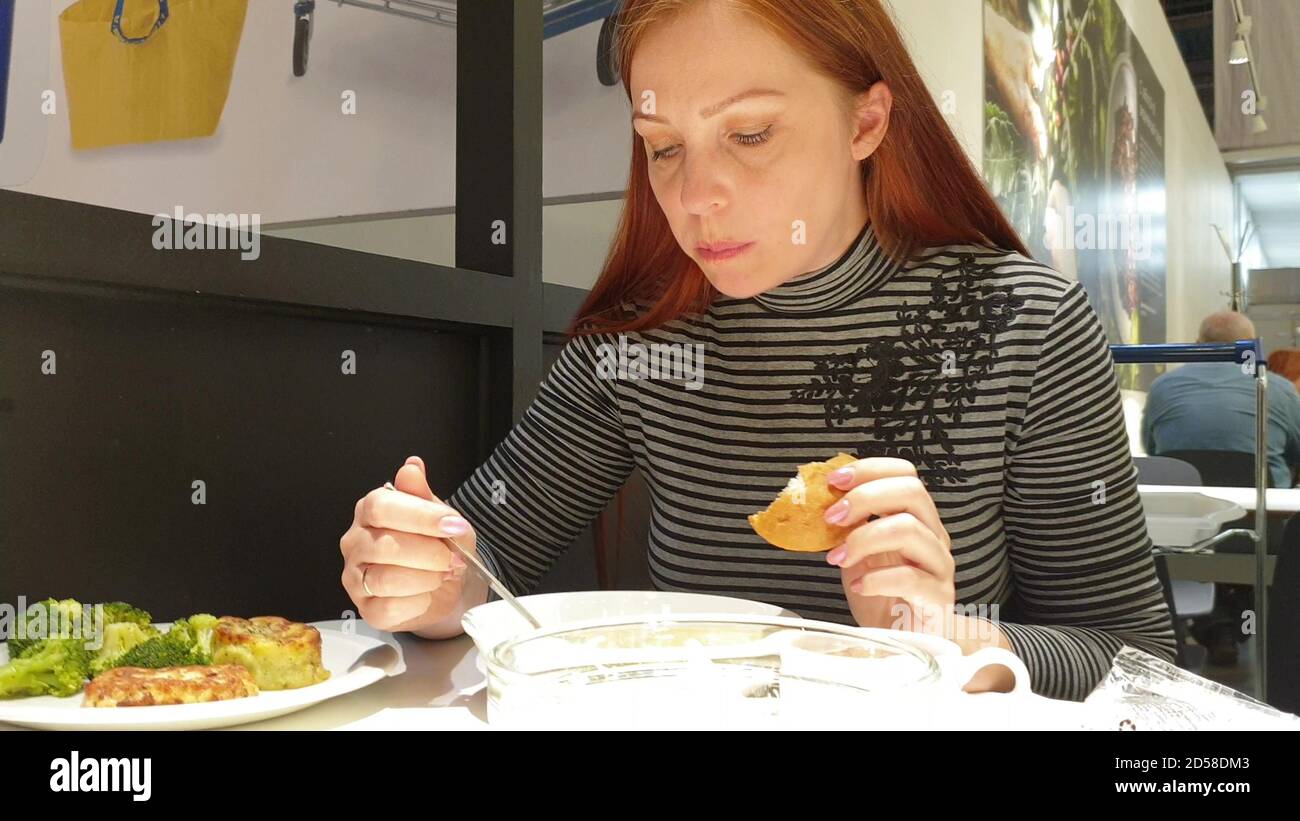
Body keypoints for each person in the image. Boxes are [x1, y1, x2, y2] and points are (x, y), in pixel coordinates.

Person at [339, 0, 1175, 701]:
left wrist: (947, 639)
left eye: (750, 133)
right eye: (664, 146)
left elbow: (1137, 660)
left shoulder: (1023, 323)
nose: (697, 197)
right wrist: (425, 576)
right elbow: (486, 555)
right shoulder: (638, 344)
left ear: (866, 119)